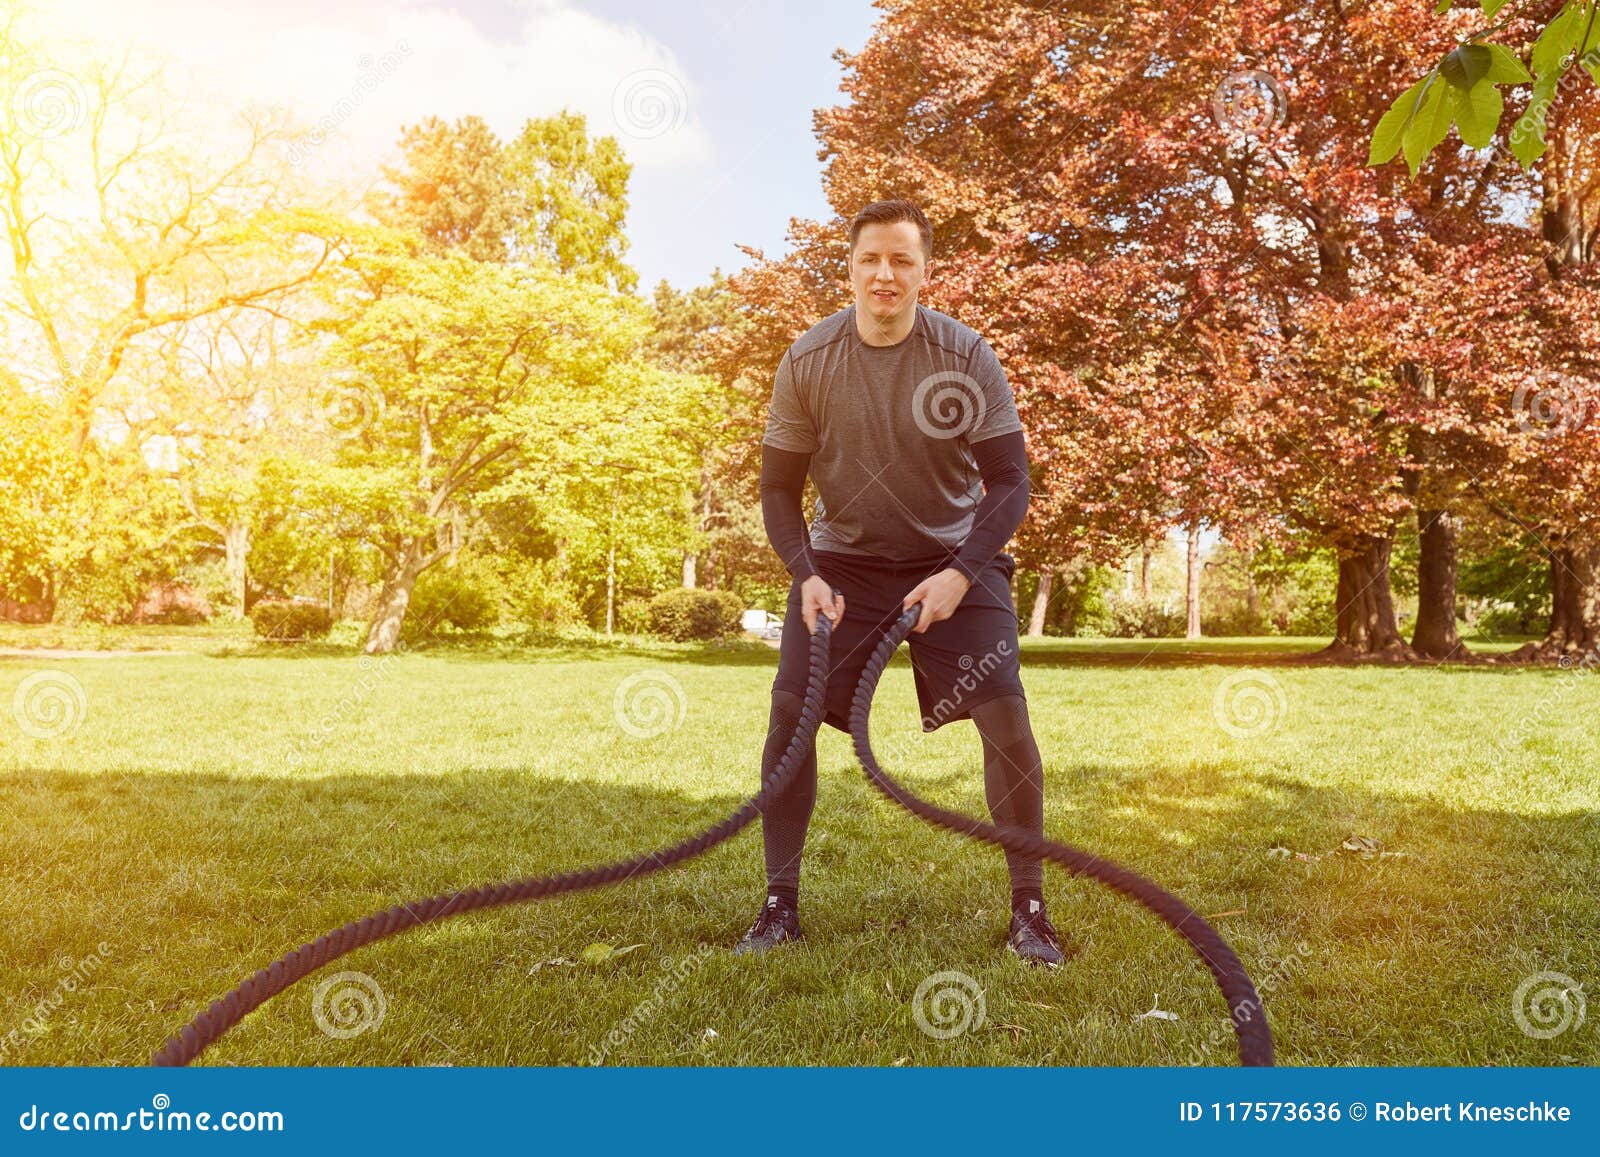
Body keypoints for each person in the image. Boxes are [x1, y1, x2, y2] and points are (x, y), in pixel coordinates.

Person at [734, 198, 1062, 966]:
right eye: (871, 259)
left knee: (1006, 716)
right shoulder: (808, 361)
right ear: (849, 269)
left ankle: (1031, 910)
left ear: (924, 270)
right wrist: (804, 573)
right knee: (789, 714)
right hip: (841, 565)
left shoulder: (965, 355)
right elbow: (779, 490)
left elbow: (1010, 482)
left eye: (902, 260)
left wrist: (960, 572)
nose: (886, 274)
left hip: (952, 557)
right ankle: (780, 905)